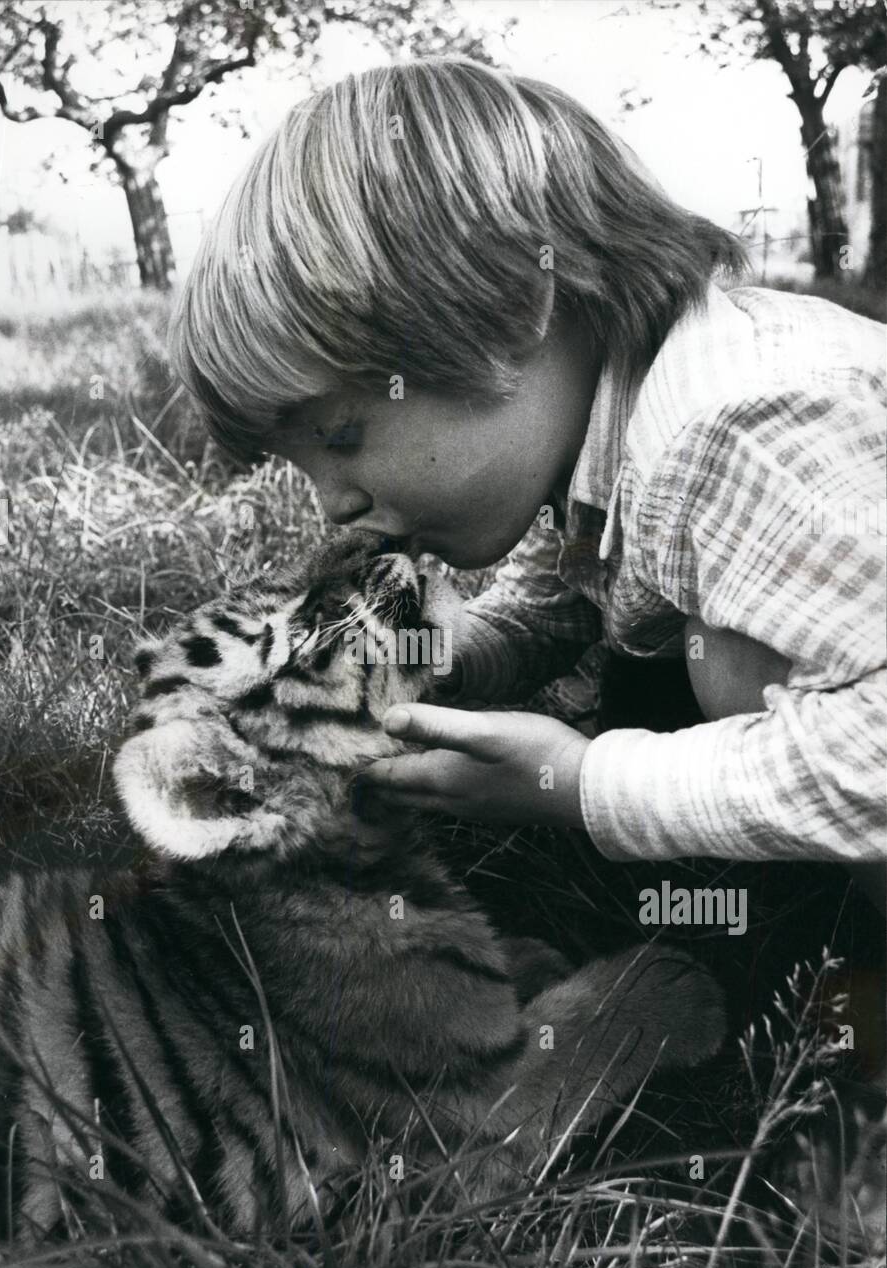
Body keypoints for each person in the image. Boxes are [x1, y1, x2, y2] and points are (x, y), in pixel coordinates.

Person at [171, 57, 885, 897]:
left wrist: (582, 785)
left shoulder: (731, 428)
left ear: (515, 304)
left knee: (735, 663)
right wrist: (432, 666)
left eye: (345, 435)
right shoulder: (598, 424)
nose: (336, 506)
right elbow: (563, 602)